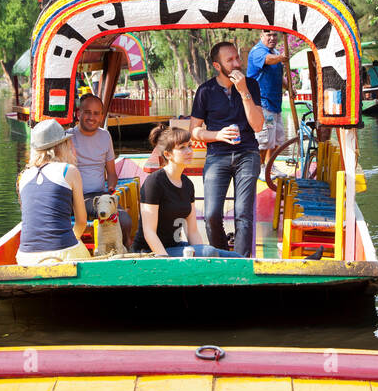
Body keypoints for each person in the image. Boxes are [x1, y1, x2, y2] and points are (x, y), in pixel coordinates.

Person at [190, 41, 264, 257]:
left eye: (237, 58)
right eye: (229, 60)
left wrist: (244, 92)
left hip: (247, 153)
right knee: (212, 215)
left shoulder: (251, 85)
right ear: (217, 65)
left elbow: (258, 125)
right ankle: (223, 257)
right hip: (217, 155)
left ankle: (241, 262)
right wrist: (217, 135)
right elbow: (194, 130)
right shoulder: (205, 91)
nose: (236, 63)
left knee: (243, 213)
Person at [134, 125, 242, 258]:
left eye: (190, 146)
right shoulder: (154, 183)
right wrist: (165, 262)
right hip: (151, 252)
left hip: (175, 247)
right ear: (168, 154)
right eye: (182, 148)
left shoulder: (187, 184)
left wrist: (202, 257)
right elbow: (149, 232)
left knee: (235, 257)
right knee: (209, 252)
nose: (189, 151)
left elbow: (192, 232)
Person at [15, 118, 90, 266]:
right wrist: (74, 239)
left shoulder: (22, 176)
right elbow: (81, 222)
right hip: (63, 254)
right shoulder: (70, 171)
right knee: (84, 251)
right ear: (62, 145)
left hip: (26, 257)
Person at [66, 93, 133, 243]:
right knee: (120, 219)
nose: (92, 117)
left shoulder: (105, 136)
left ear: (102, 116)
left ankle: (126, 250)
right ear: (79, 113)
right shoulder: (68, 137)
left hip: (100, 195)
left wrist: (111, 186)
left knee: (125, 220)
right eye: (87, 112)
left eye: (96, 113)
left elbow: (111, 172)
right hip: (76, 198)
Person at [246, 29, 287, 167]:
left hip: (275, 105)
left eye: (274, 35)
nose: (272, 38)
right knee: (264, 140)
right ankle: (259, 167)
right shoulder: (258, 51)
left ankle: (270, 166)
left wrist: (290, 88)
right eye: (268, 35)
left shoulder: (275, 53)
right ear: (261, 36)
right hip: (262, 105)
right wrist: (282, 57)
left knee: (276, 139)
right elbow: (268, 60)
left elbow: (278, 76)